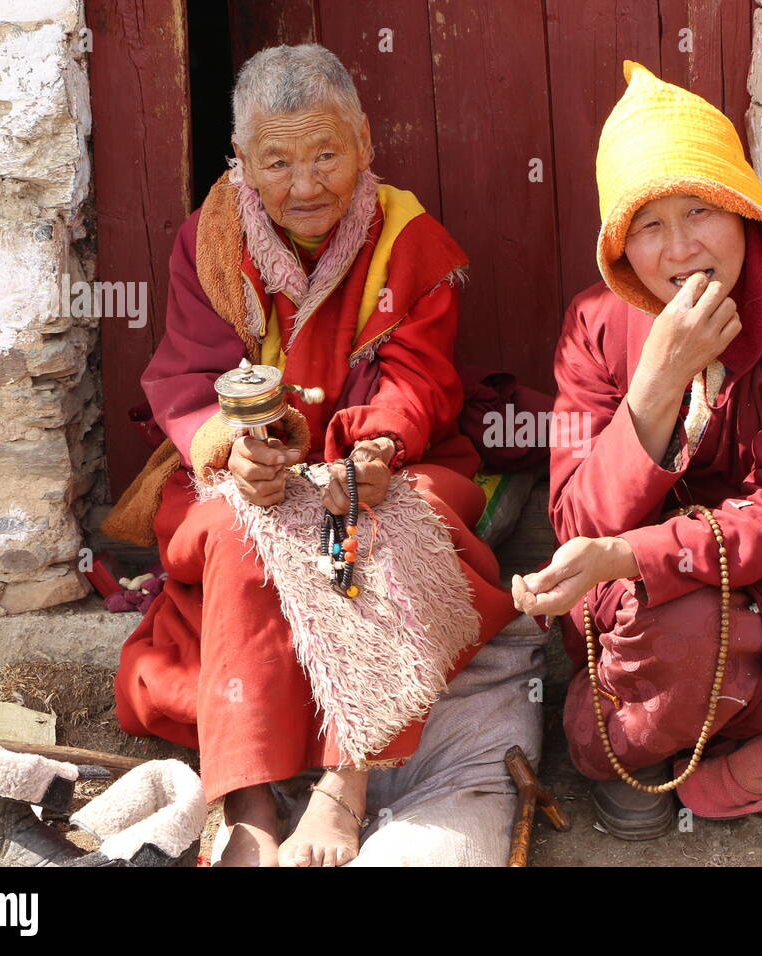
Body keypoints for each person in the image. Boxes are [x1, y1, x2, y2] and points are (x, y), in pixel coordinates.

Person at [102, 44, 517, 866]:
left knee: (381, 535)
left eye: (326, 153)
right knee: (236, 539)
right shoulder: (213, 240)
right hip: (245, 466)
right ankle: (250, 802)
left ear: (365, 141)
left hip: (383, 457)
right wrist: (235, 452)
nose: (305, 184)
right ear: (242, 163)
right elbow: (187, 376)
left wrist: (375, 451)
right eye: (278, 161)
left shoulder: (408, 240)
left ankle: (344, 785)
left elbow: (419, 378)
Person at [513, 62, 762, 839]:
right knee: (637, 641)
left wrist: (630, 558)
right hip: (650, 590)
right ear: (618, 247)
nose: (679, 250)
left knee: (620, 715)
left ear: (744, 210)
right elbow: (575, 517)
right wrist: (655, 385)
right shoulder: (593, 327)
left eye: (699, 209)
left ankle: (718, 719)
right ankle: (728, 724)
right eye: (647, 225)